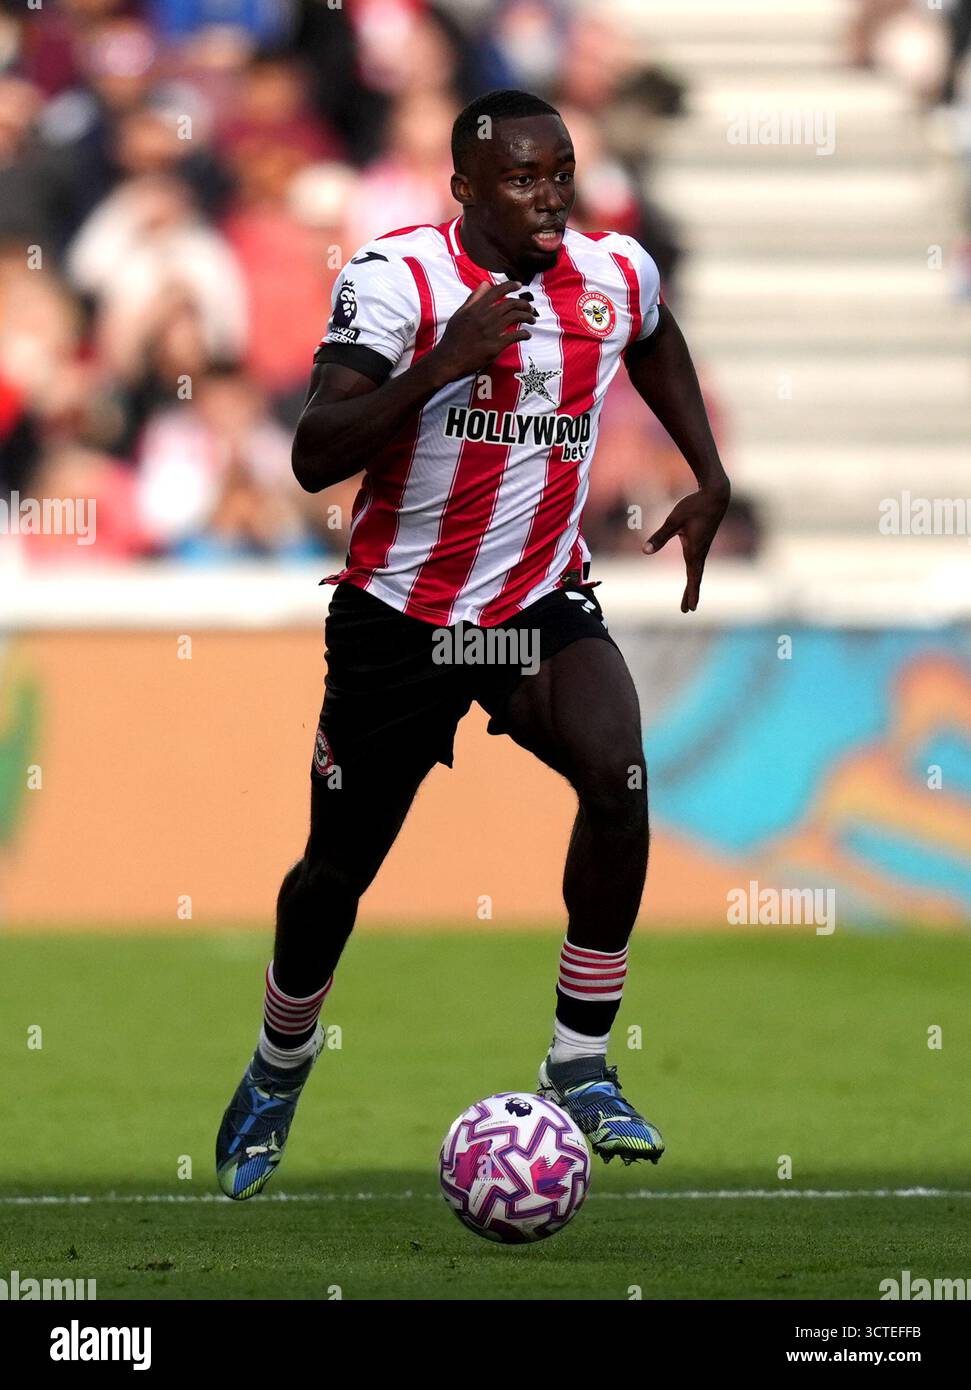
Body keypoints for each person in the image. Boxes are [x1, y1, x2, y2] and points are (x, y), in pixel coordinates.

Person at [215, 89, 731, 1199]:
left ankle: (580, 1060)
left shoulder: (614, 271)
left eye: (559, 173)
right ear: (464, 188)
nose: (546, 196)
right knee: (331, 877)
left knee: (618, 772)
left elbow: (653, 336)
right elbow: (312, 454)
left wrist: (706, 467)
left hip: (535, 613)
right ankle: (279, 1061)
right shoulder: (398, 280)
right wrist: (444, 364)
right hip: (397, 622)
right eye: (520, 179)